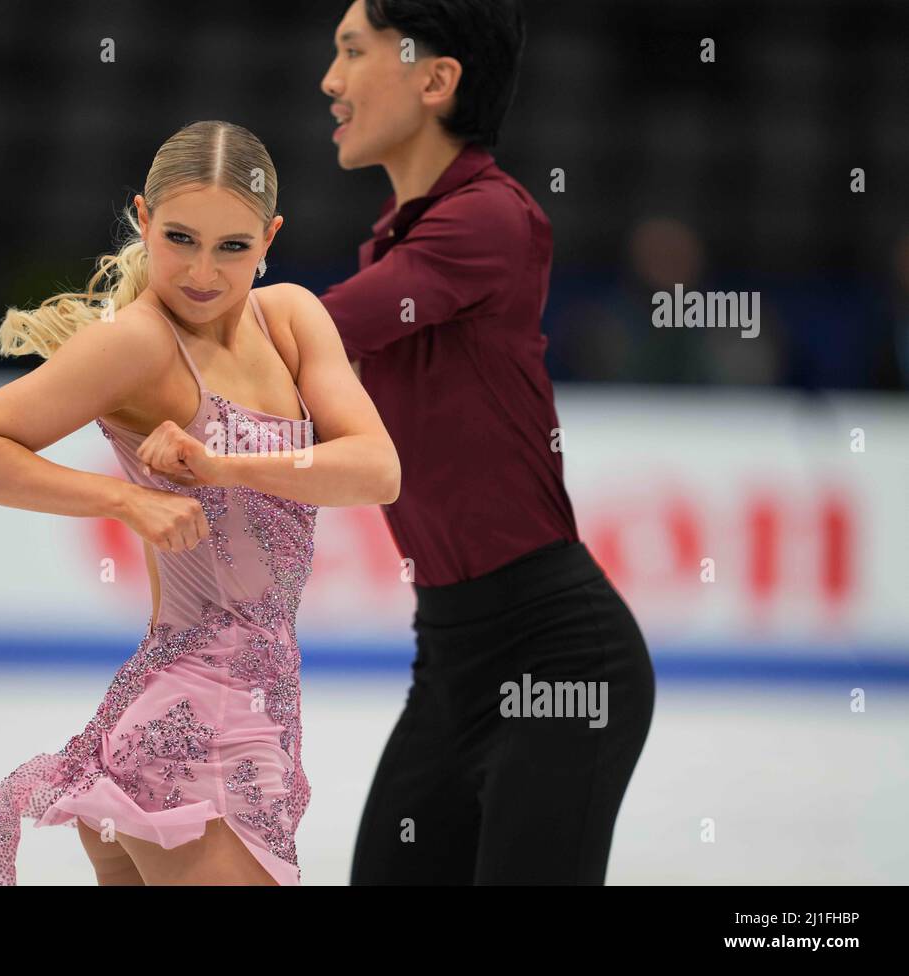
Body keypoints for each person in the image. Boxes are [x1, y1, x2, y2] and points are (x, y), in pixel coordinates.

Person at [0, 120, 400, 885]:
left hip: (243, 708)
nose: (203, 272)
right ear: (144, 219)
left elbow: (376, 470)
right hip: (195, 732)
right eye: (180, 238)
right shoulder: (137, 343)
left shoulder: (289, 319)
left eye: (232, 247)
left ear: (270, 237)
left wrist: (221, 467)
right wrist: (125, 499)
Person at [317, 0, 656, 883]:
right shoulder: (391, 248)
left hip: (560, 661)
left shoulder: (490, 220)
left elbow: (303, 334)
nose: (331, 80)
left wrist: (151, 326)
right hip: (449, 663)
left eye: (353, 52)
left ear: (435, 78)